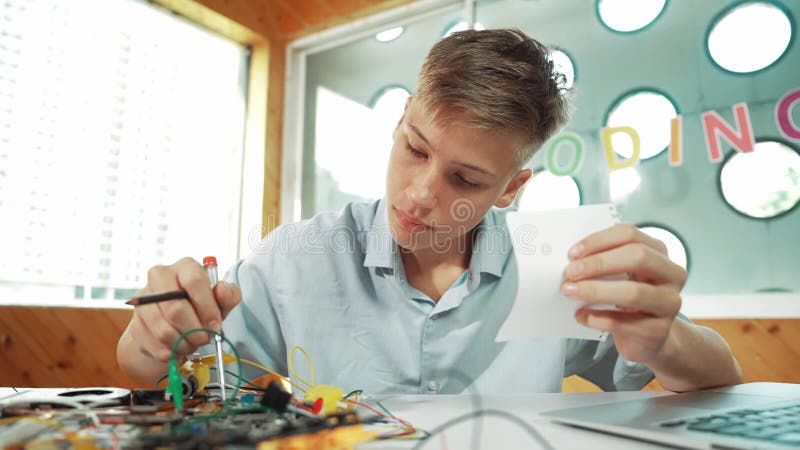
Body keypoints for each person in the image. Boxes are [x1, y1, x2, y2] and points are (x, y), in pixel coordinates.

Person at [117, 29, 742, 394]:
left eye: (465, 178)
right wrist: (152, 341)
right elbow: (176, 375)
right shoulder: (297, 256)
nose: (419, 193)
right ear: (398, 125)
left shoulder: (556, 266)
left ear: (510, 188)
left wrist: (665, 338)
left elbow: (720, 378)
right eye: (414, 148)